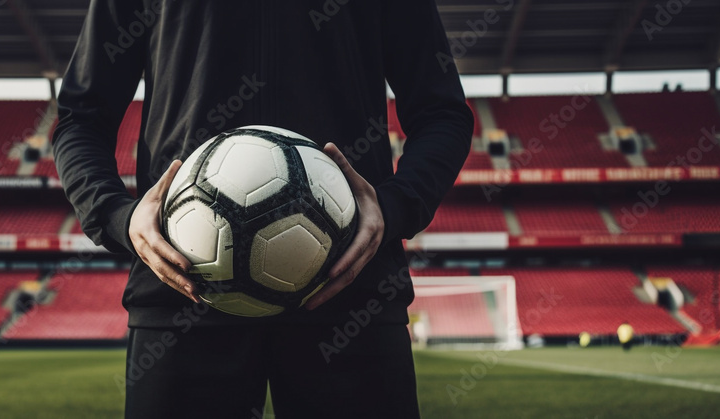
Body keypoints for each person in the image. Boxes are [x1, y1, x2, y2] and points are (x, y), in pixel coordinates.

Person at [53, 1, 472, 417]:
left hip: (352, 293)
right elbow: (80, 118)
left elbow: (443, 113)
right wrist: (118, 217)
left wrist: (394, 206)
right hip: (183, 291)